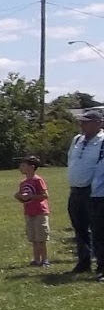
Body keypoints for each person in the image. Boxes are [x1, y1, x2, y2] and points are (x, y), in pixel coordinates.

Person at [64, 108, 104, 274]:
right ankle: (84, 262)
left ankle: (102, 266)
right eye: (81, 121)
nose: (82, 124)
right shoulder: (77, 139)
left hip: (95, 192)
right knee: (79, 228)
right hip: (76, 189)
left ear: (99, 123)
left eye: (86, 122)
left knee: (98, 229)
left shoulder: (102, 141)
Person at [15, 156, 50, 268]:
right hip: (29, 212)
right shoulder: (23, 183)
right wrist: (19, 196)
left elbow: (45, 195)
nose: (20, 167)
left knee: (41, 238)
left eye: (23, 165)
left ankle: (44, 260)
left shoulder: (37, 180)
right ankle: (36, 260)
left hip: (40, 212)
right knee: (33, 238)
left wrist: (31, 196)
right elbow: (24, 199)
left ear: (32, 167)